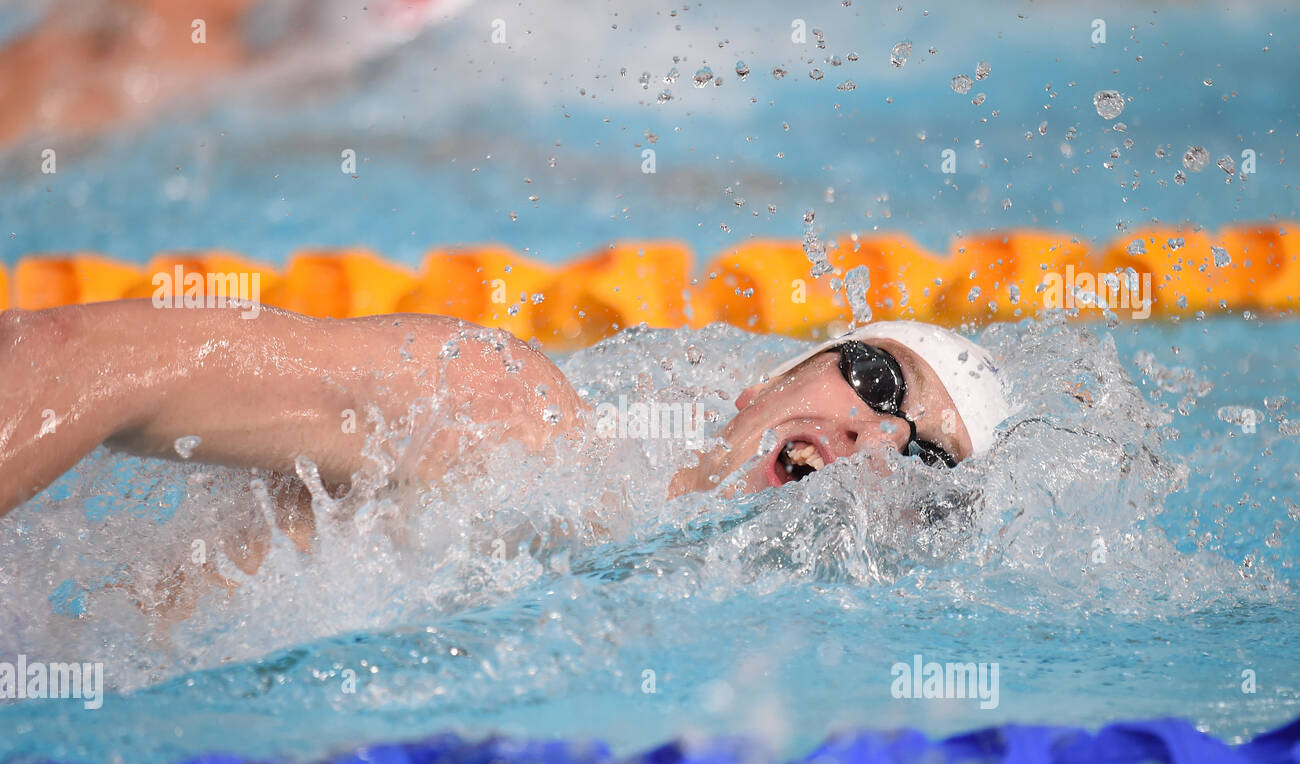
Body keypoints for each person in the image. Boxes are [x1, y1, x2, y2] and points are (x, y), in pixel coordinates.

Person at [0, 298, 1011, 521]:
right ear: (764, 386)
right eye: (878, 383)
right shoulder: (501, 416)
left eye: (920, 458)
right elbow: (77, 357)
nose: (871, 432)